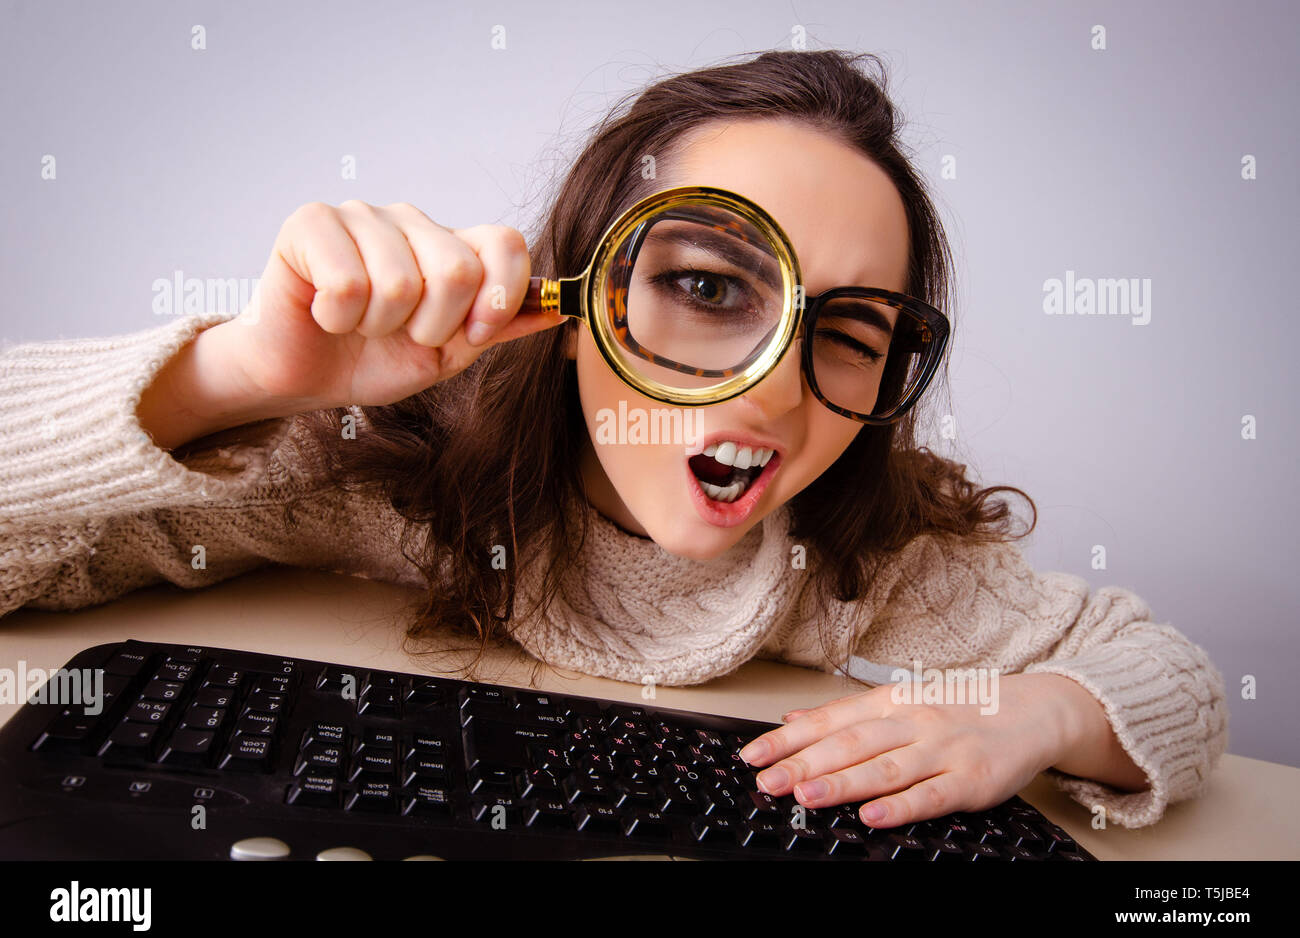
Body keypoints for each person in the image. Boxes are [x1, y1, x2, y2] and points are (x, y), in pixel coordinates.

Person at [0, 50, 1226, 832]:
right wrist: (237, 375)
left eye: (849, 331)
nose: (777, 392)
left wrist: (1043, 716)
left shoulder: (860, 560)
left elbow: (1165, 677)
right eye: (707, 288)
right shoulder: (390, 475)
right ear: (579, 304)